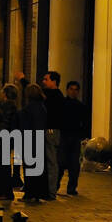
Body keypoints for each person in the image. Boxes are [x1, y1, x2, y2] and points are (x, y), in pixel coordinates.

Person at [59, 80, 90, 196]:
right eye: (71, 89)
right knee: (61, 162)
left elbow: (85, 122)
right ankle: (56, 186)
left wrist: (82, 136)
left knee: (74, 165)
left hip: (75, 137)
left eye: (75, 89)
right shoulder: (62, 104)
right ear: (67, 90)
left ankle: (71, 188)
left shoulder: (81, 106)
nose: (73, 92)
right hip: (64, 135)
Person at [20, 83, 48, 202]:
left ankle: (29, 193)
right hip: (40, 139)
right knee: (39, 168)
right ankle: (38, 194)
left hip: (29, 139)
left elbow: (25, 125)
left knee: (29, 168)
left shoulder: (28, 108)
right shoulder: (42, 107)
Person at [41, 70, 65, 200]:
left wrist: (23, 80)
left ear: (54, 82)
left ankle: (51, 192)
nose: (43, 82)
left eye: (46, 79)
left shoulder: (55, 95)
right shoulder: (53, 95)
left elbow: (37, 93)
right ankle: (48, 190)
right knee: (48, 161)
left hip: (51, 131)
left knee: (51, 161)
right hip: (50, 130)